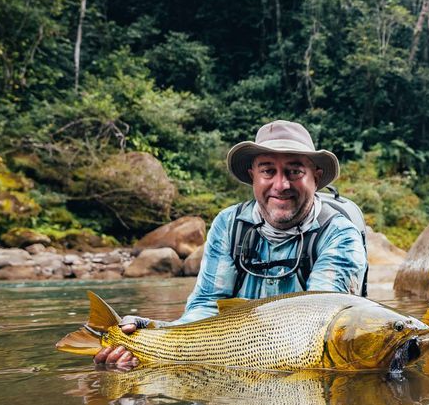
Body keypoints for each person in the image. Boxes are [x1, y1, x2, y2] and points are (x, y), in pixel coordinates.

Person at [95, 120, 367, 369]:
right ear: (253, 176)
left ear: (315, 177)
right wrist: (152, 332)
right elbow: (206, 307)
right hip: (233, 352)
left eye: (294, 171)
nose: (281, 184)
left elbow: (322, 320)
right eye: (268, 171)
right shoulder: (229, 225)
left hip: (292, 354)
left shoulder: (340, 234)